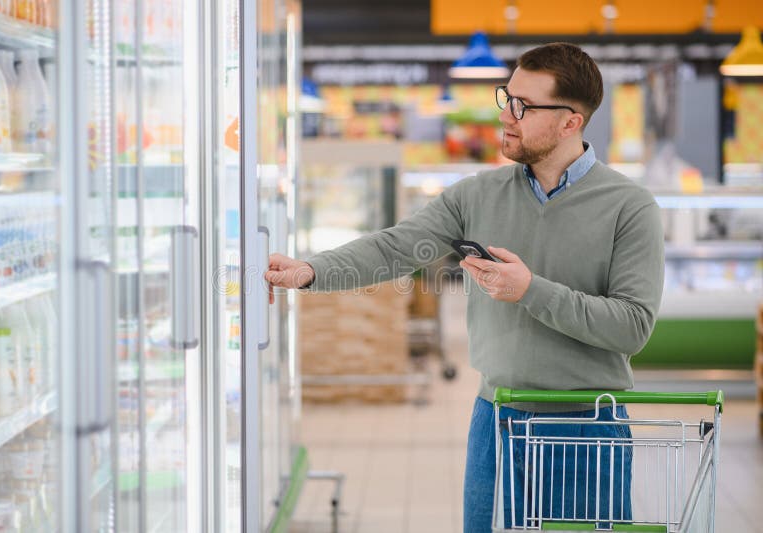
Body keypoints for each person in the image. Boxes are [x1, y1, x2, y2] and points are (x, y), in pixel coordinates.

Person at [265, 42, 664, 532]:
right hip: (495, 421)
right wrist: (311, 270)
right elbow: (396, 248)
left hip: (584, 429)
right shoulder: (476, 195)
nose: (507, 116)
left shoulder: (630, 207)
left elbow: (633, 327)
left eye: (524, 106)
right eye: (507, 98)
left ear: (570, 121)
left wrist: (530, 290)